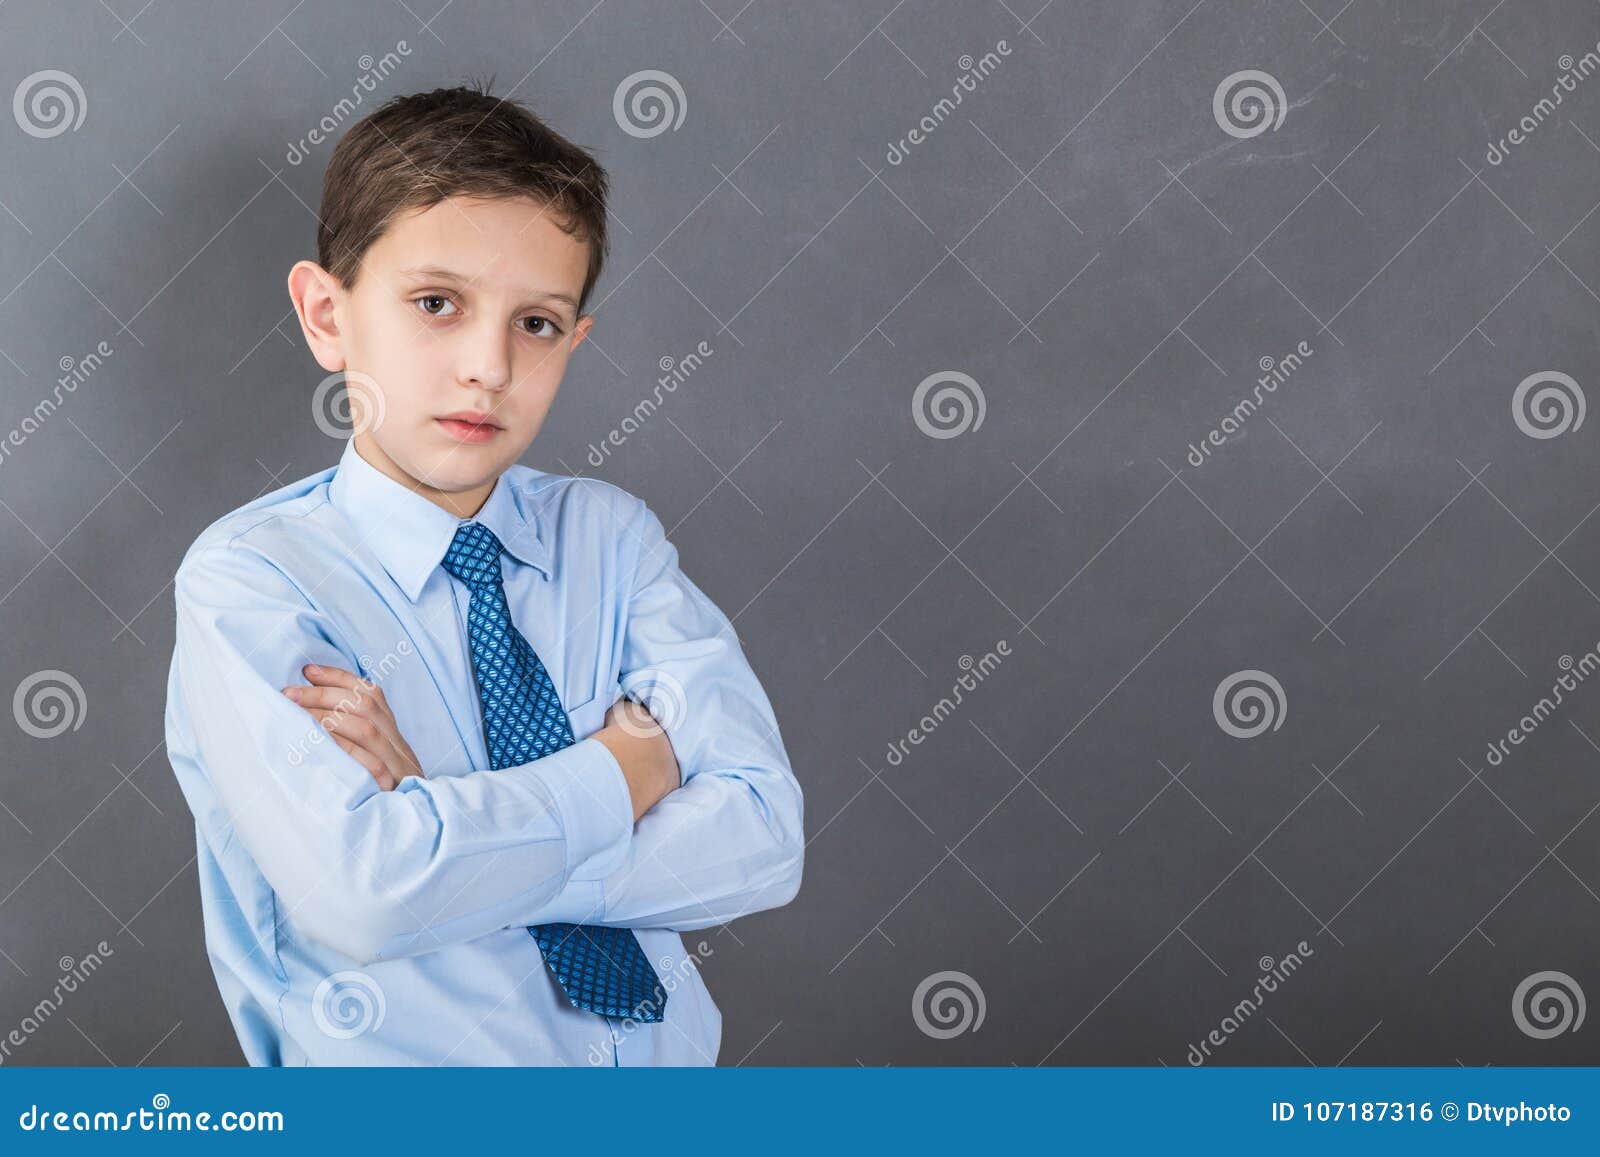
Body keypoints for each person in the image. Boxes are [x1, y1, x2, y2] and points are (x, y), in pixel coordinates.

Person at [163, 82, 804, 1066]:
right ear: (327, 314)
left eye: (536, 323)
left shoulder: (613, 540)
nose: (488, 366)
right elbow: (370, 895)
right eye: (436, 304)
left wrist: (445, 814)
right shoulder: (255, 581)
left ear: (573, 339)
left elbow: (762, 839)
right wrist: (623, 770)